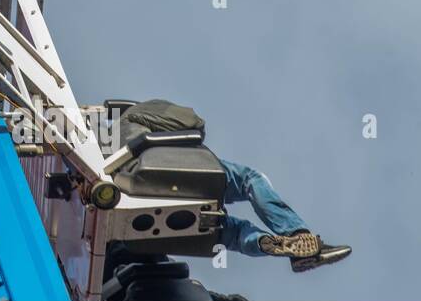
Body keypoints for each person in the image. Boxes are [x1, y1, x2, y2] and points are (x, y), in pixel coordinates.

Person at [118, 99, 352, 273]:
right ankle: (296, 234)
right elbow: (195, 124)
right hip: (167, 170)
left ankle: (269, 244)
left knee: (230, 233)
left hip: (145, 219)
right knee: (249, 179)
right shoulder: (132, 118)